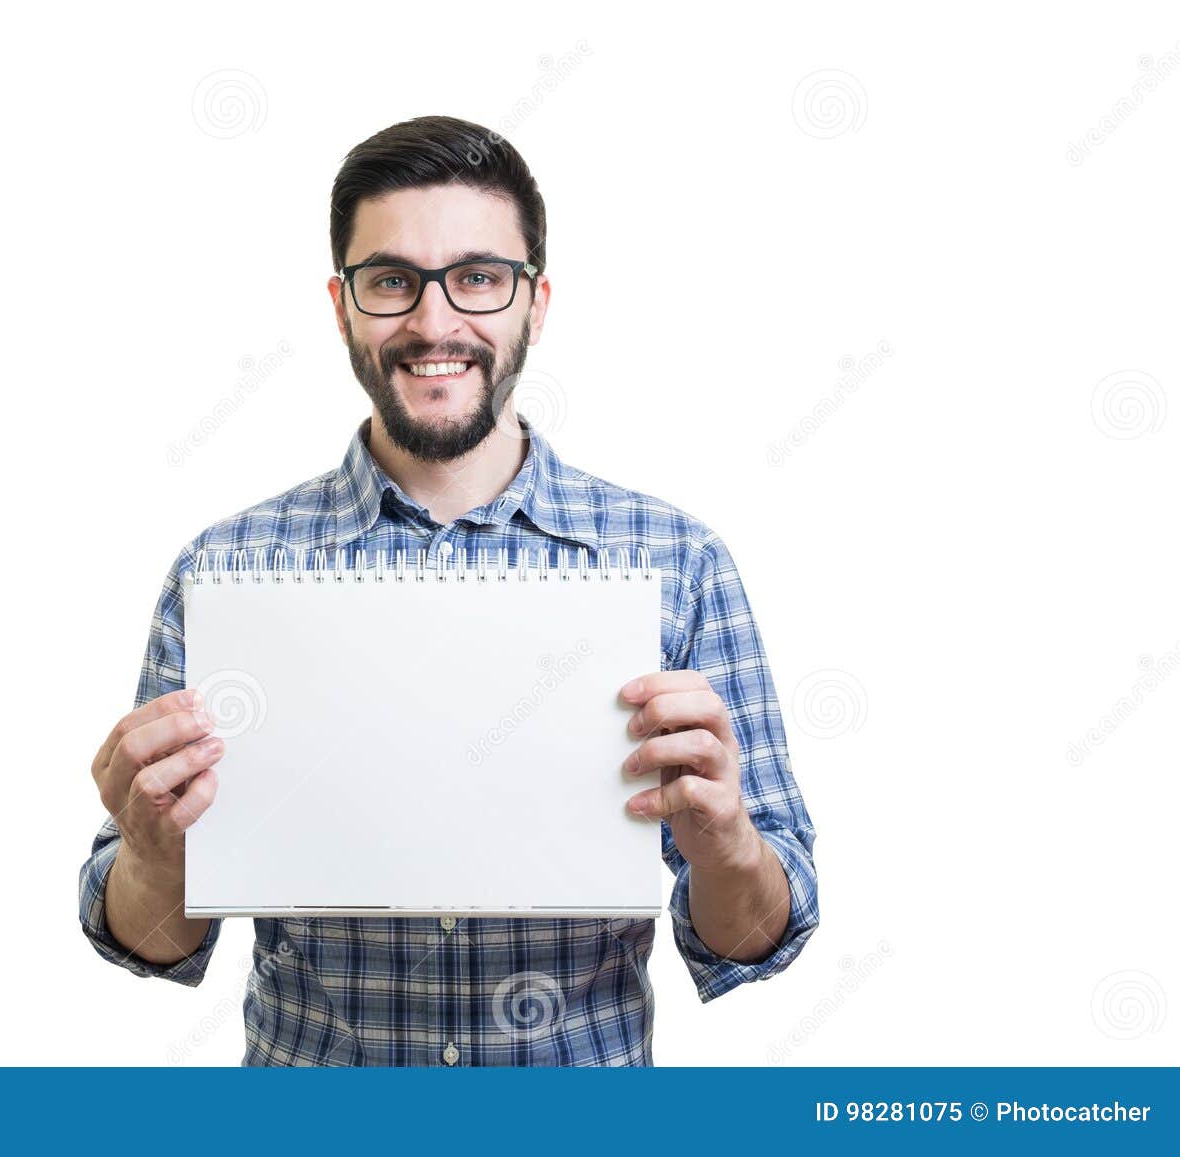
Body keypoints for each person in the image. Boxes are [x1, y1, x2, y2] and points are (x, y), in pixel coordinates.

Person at [80, 114, 819, 1066]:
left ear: (536, 303)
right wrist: (152, 852)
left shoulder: (679, 562)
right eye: (393, 281)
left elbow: (758, 936)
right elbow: (149, 940)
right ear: (342, 305)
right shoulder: (225, 570)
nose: (436, 323)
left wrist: (724, 847)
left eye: (477, 278)